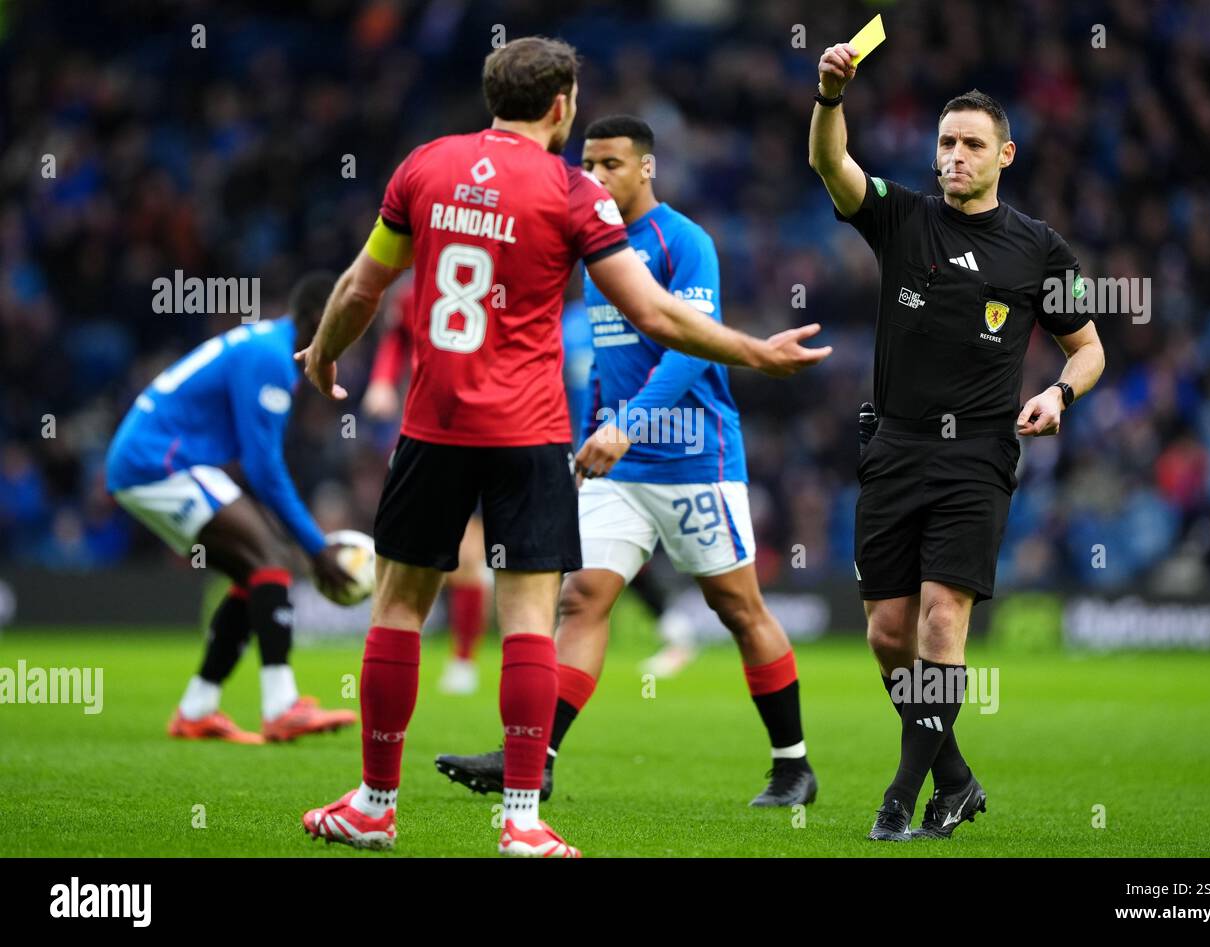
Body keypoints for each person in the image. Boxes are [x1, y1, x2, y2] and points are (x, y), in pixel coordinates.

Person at [298, 36, 831, 856]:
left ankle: (375, 802)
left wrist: (327, 350)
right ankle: (521, 817)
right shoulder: (570, 192)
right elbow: (653, 316)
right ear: (561, 106)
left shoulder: (425, 167)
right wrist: (758, 351)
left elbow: (364, 285)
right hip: (533, 434)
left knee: (399, 607)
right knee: (537, 619)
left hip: (438, 425)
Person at [435, 116, 817, 810]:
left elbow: (692, 347)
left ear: (646, 168)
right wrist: (588, 439)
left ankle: (792, 764)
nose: (595, 176)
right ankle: (537, 757)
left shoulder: (684, 241)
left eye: (610, 163)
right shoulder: (594, 250)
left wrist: (628, 425)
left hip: (698, 457)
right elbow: (608, 367)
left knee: (737, 606)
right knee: (582, 596)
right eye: (586, 163)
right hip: (620, 467)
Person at [809, 44, 1105, 840]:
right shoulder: (900, 216)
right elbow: (829, 161)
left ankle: (900, 800)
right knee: (886, 635)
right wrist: (831, 95)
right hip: (894, 449)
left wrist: (1057, 390)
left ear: (1005, 154)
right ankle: (957, 777)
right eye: (946, 142)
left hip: (977, 454)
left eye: (972, 143)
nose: (956, 156)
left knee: (942, 623)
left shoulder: (1039, 247)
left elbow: (1089, 346)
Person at [104, 272, 359, 745]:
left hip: (155, 460)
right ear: (316, 319)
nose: (351, 332)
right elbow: (263, 469)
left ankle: (197, 708)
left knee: (254, 571)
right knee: (273, 560)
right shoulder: (271, 359)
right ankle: (281, 707)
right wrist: (317, 547)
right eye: (344, 319)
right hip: (157, 462)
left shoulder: (268, 346)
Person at [361, 281, 491, 696]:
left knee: (470, 556)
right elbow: (396, 339)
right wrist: (381, 382)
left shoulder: (493, 276)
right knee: (405, 556)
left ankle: (463, 659)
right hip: (422, 432)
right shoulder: (408, 290)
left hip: (485, 431)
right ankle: (392, 652)